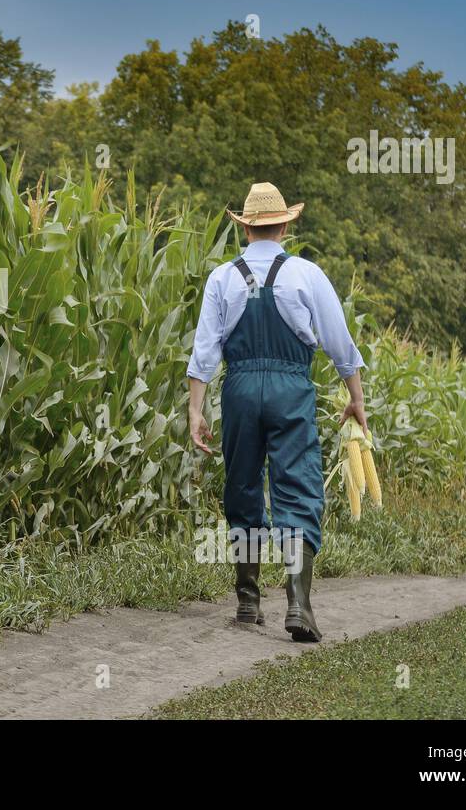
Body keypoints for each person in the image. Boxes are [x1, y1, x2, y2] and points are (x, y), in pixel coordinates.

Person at [186, 182, 367, 641]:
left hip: (241, 390)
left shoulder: (222, 278)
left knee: (243, 484)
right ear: (285, 225)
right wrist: (356, 397)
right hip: (291, 389)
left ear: (245, 229)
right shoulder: (306, 274)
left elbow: (204, 351)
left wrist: (195, 410)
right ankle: (298, 607)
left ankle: (248, 603)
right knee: (298, 488)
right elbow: (339, 341)